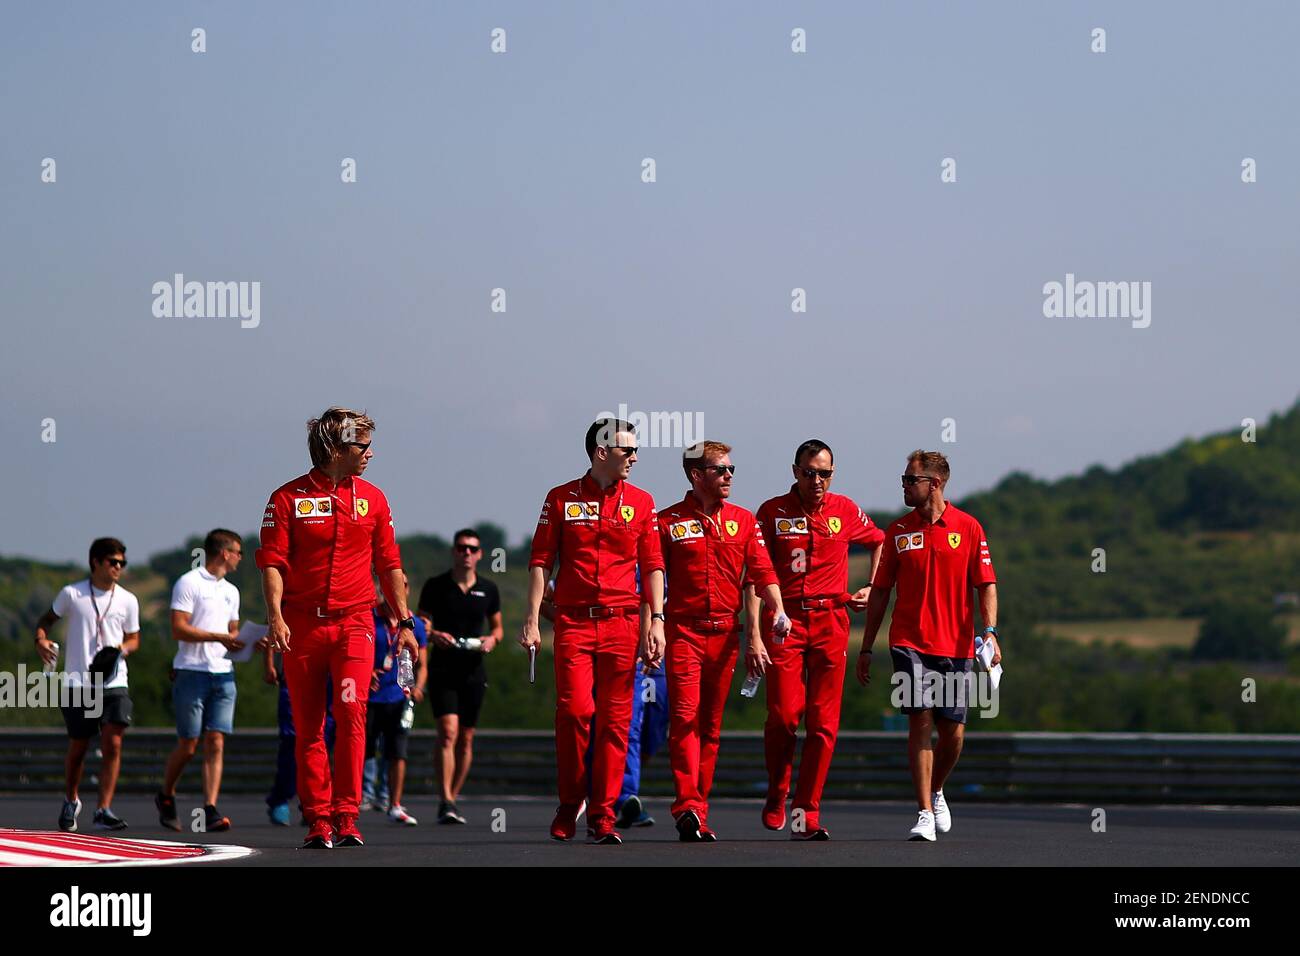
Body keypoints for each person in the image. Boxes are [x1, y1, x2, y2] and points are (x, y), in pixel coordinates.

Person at [255, 407, 419, 850]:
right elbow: (272, 562)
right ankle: (318, 820)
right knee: (308, 728)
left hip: (355, 624)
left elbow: (388, 563)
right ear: (335, 449)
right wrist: (275, 615)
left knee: (350, 713)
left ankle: (348, 815)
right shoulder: (285, 498)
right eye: (361, 445)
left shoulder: (374, 498)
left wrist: (405, 622)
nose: (370, 453)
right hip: (304, 626)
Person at [521, 418, 666, 845]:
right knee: (575, 712)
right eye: (628, 451)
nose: (635, 458)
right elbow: (540, 561)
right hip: (574, 623)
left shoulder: (642, 502)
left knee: (616, 723)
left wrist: (655, 622)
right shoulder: (561, 498)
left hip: (623, 624)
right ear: (602, 452)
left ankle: (603, 814)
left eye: (636, 450)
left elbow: (654, 566)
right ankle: (571, 801)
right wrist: (531, 618)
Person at [857, 450, 1001, 841]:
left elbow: (986, 584)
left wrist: (990, 633)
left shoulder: (969, 527)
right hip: (909, 642)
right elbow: (881, 593)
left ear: (933, 484)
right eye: (904, 479)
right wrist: (867, 647)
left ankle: (936, 789)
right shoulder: (898, 531)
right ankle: (922, 812)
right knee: (920, 721)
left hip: (955, 646)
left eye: (910, 480)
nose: (903, 485)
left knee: (952, 731)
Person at [750, 439, 884, 840]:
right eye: (809, 472)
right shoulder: (772, 512)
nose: (817, 481)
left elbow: (878, 540)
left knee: (824, 724)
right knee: (784, 716)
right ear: (795, 471)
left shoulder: (844, 509)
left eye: (824, 473)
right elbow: (756, 574)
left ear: (833, 475)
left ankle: (806, 811)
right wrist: (755, 631)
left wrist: (873, 587)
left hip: (831, 620)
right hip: (785, 620)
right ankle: (777, 790)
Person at [659, 440, 791, 841]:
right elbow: (648, 576)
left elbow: (763, 572)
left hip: (724, 634)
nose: (729, 476)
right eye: (721, 470)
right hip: (682, 631)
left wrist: (778, 611)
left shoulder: (743, 520)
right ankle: (686, 805)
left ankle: (700, 809)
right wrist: (652, 624)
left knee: (711, 727)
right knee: (684, 717)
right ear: (697, 476)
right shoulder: (665, 521)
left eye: (732, 469)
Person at [33, 537, 141, 831]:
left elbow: (134, 637)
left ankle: (103, 808)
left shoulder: (128, 599)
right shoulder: (72, 593)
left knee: (113, 742)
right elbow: (45, 621)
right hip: (78, 682)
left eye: (122, 563)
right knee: (79, 747)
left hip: (114, 680)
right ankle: (71, 799)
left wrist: (122, 650)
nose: (118, 567)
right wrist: (41, 640)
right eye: (113, 562)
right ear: (96, 562)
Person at [156, 529, 245, 833]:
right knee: (189, 744)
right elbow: (178, 629)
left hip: (223, 673)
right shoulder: (189, 582)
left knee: (216, 740)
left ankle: (210, 808)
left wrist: (248, 641)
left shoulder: (232, 591)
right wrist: (219, 636)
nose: (240, 558)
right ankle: (166, 793)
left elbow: (232, 632)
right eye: (238, 552)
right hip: (192, 670)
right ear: (224, 553)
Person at [416, 528, 502, 825]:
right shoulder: (436, 585)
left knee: (465, 738)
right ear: (454, 551)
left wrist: (492, 640)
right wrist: (434, 633)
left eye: (472, 549)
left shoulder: (488, 589)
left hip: (474, 669)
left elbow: (498, 628)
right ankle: (445, 800)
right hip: (443, 667)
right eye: (461, 547)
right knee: (448, 731)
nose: (466, 553)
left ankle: (453, 795)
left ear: (479, 554)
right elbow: (419, 623)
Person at [367, 573, 427, 826]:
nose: (395, 589)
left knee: (397, 752)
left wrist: (418, 687)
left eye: (400, 585)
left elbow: (423, 663)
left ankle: (395, 804)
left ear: (407, 589)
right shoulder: (369, 617)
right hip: (370, 695)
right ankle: (355, 798)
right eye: (390, 584)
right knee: (362, 749)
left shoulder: (415, 623)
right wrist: (364, 671)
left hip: (399, 695)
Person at [263, 642, 336, 827]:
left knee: (324, 741)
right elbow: (271, 630)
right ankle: (281, 798)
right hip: (294, 672)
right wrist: (269, 664)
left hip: (328, 676)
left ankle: (314, 802)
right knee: (292, 739)